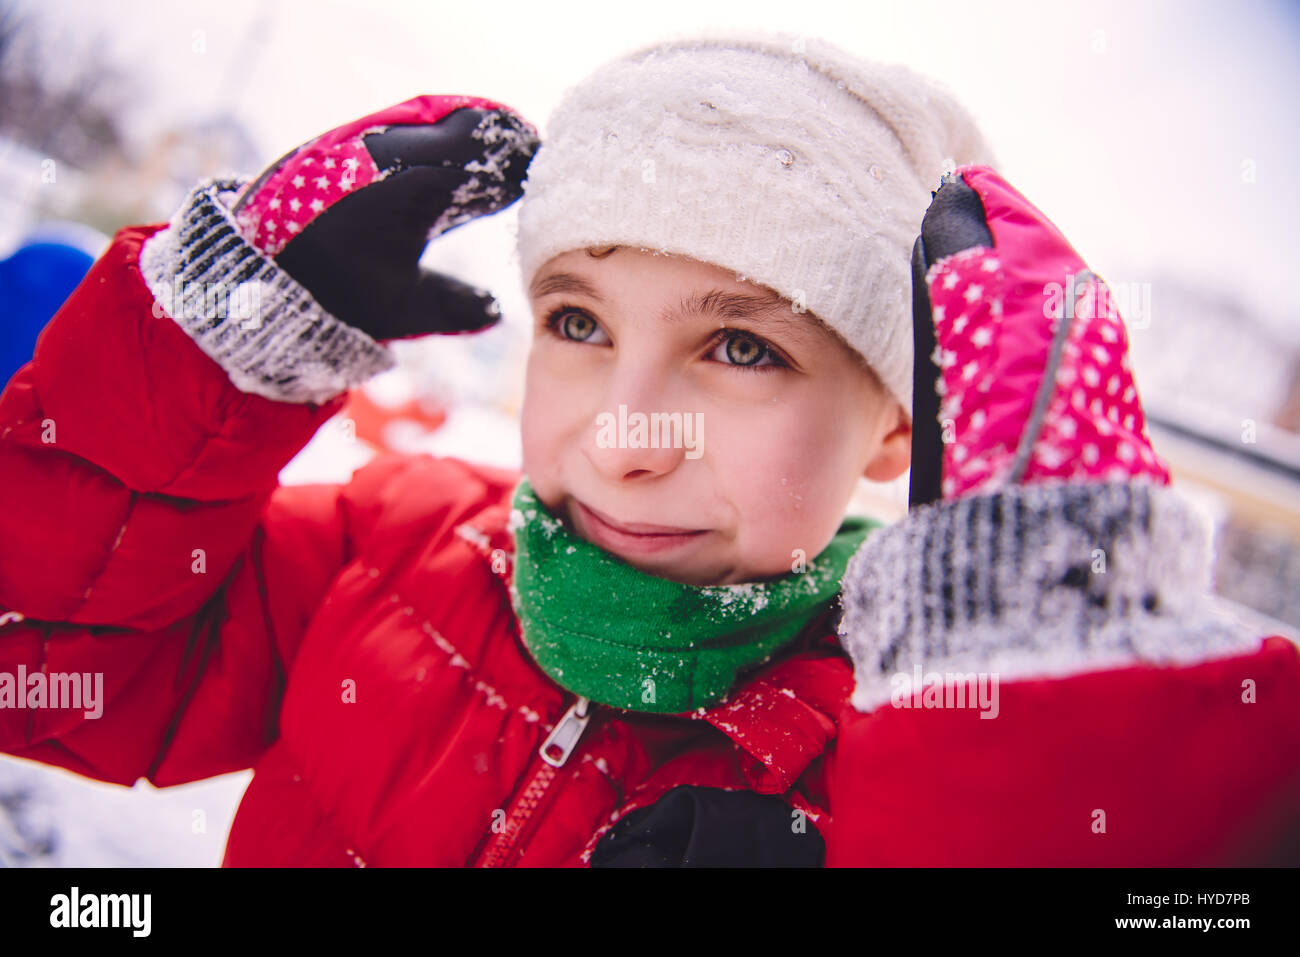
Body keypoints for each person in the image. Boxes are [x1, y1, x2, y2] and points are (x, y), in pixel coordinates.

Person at [0, 29, 1296, 868]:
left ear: (898, 419)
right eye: (576, 320)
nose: (622, 440)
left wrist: (1046, 720)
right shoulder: (389, 548)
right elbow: (47, 666)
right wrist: (210, 351)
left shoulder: (914, 754)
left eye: (742, 347)